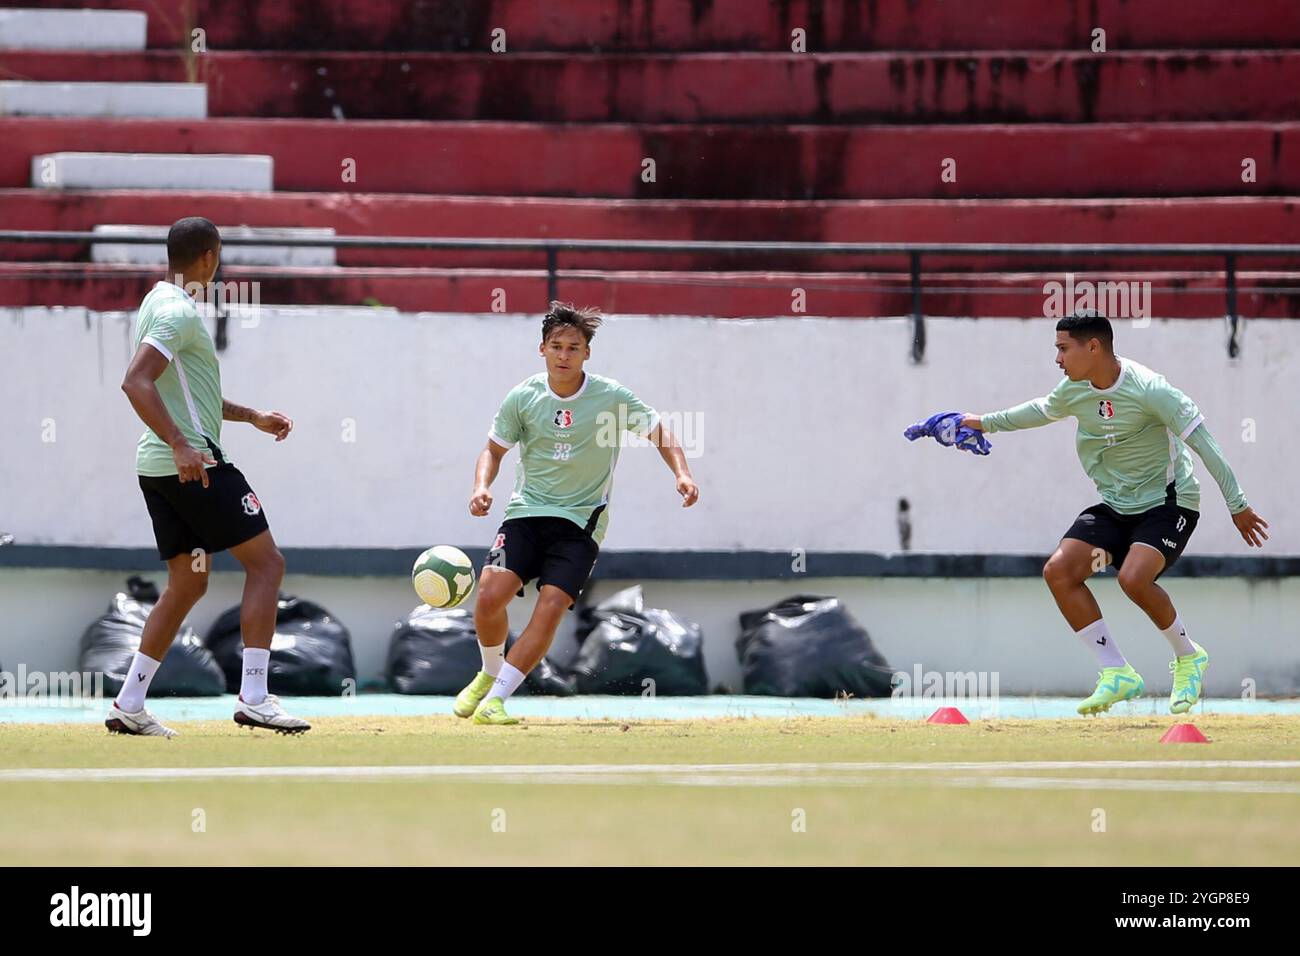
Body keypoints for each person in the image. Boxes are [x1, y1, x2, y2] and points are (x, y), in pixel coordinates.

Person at [962, 311, 1268, 715]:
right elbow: (1039, 411)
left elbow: (1205, 445)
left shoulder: (1151, 390)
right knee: (1060, 572)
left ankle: (1188, 655)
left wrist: (1238, 505)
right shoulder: (1072, 389)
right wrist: (979, 423)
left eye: (1062, 348)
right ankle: (1116, 672)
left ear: (1093, 347)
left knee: (1133, 578)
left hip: (1168, 503)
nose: (1057, 359)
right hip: (1116, 507)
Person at [457, 302, 700, 725]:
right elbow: (493, 450)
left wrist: (682, 475)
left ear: (587, 353)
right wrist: (481, 487)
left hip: (580, 523)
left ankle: (496, 700)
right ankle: (488, 671)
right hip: (525, 514)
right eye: (557, 346)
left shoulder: (610, 397)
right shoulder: (525, 396)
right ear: (542, 350)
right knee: (488, 598)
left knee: (550, 604)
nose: (564, 355)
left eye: (574, 347)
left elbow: (662, 434)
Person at [112, 216, 309, 736]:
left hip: (157, 469)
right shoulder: (178, 311)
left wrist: (254, 417)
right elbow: (136, 382)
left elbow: (191, 397)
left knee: (188, 582)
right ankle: (256, 697)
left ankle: (129, 702)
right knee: (267, 565)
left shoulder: (157, 301)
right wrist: (181, 444)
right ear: (208, 257)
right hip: (194, 466)